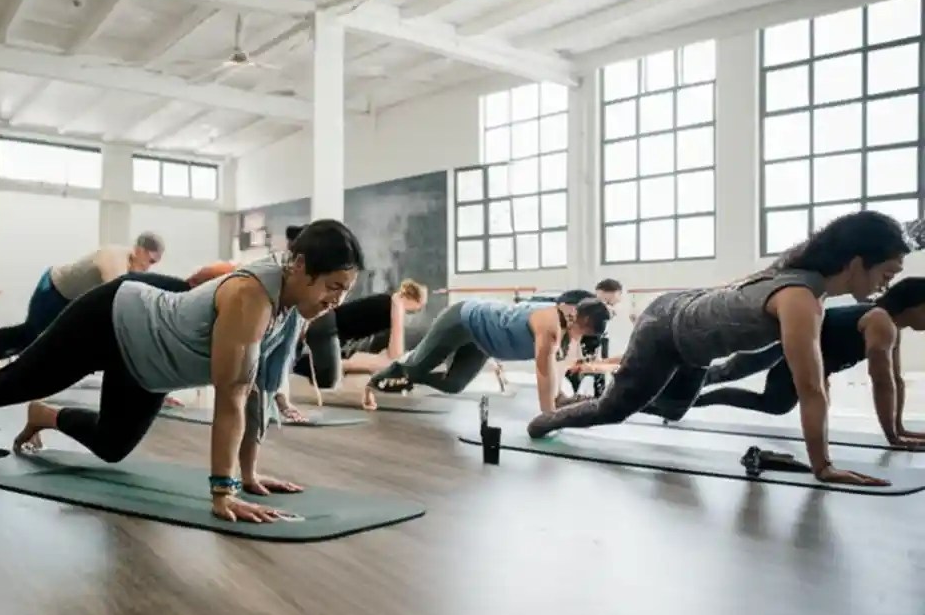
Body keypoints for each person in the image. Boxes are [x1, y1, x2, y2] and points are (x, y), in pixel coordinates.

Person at [0, 220, 365, 524]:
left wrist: (251, 473)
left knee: (113, 446)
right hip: (117, 316)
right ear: (300, 267)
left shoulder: (294, 305)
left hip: (151, 360)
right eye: (333, 287)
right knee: (18, 380)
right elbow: (233, 396)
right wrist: (225, 493)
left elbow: (261, 388)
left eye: (345, 290)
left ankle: (45, 416)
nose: (336, 301)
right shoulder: (251, 298)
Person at [526, 209, 910, 487]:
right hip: (666, 326)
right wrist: (823, 466)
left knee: (676, 409)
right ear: (857, 263)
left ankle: (588, 401)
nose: (885, 286)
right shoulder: (800, 298)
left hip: (693, 341)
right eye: (886, 274)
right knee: (614, 411)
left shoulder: (806, 282)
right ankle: (549, 417)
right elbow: (810, 389)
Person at [692, 278, 925, 448]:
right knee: (726, 372)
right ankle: (673, 390)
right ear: (915, 305)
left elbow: (895, 380)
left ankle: (689, 400)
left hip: (799, 356)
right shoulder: (880, 321)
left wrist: (899, 429)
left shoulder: (891, 328)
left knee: (774, 404)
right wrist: (893, 436)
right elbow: (882, 381)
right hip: (780, 342)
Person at [363, 291, 612, 412]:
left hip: (483, 342)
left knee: (454, 385)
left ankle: (410, 377)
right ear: (579, 319)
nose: (582, 339)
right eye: (585, 332)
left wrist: (560, 398)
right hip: (463, 319)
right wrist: (549, 415)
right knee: (418, 364)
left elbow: (555, 368)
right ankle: (388, 375)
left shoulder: (568, 329)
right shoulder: (551, 326)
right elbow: (543, 373)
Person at [0, 233, 165, 367]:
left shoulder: (130, 267)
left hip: (69, 299)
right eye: (150, 261)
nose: (149, 267)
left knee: (48, 339)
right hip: (53, 288)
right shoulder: (114, 256)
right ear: (139, 250)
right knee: (31, 334)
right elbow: (117, 293)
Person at [293, 278, 429, 386]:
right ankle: (336, 365)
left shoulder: (388, 301)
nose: (414, 312)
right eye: (418, 308)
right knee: (388, 363)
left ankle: (333, 364)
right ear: (414, 299)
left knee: (303, 364)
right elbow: (396, 355)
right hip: (327, 327)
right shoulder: (397, 303)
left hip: (328, 327)